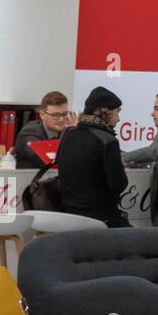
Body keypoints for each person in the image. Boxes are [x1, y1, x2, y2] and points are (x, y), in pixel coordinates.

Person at [54, 86, 130, 227]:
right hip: (101, 218)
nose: (118, 119)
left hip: (68, 216)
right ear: (105, 111)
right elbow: (119, 185)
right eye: (117, 112)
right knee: (141, 245)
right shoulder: (108, 141)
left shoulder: (67, 134)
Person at [121, 90, 158, 227]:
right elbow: (144, 157)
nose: (152, 113)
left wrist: (122, 158)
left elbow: (152, 152)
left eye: (157, 108)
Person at [14, 91, 70, 168]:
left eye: (64, 114)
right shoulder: (30, 132)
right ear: (42, 115)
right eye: (55, 115)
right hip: (29, 179)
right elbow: (49, 163)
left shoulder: (65, 131)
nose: (61, 119)